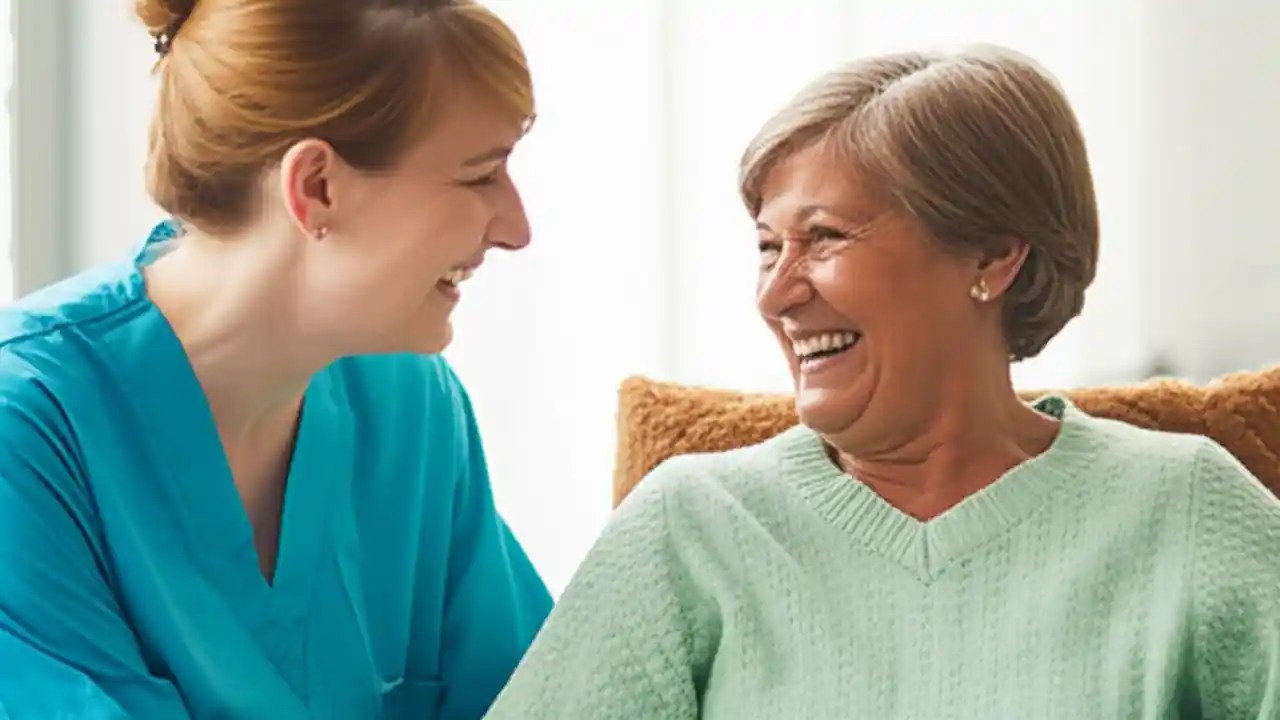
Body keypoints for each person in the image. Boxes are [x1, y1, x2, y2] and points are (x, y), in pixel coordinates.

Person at [484, 45, 1280, 718]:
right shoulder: (690, 526)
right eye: (768, 247)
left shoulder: (1187, 509)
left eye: (824, 237)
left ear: (993, 255)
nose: (775, 294)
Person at [0, 1, 551, 717]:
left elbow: (541, 697)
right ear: (316, 186)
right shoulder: (29, 430)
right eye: (480, 176)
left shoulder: (412, 408)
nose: (516, 228)